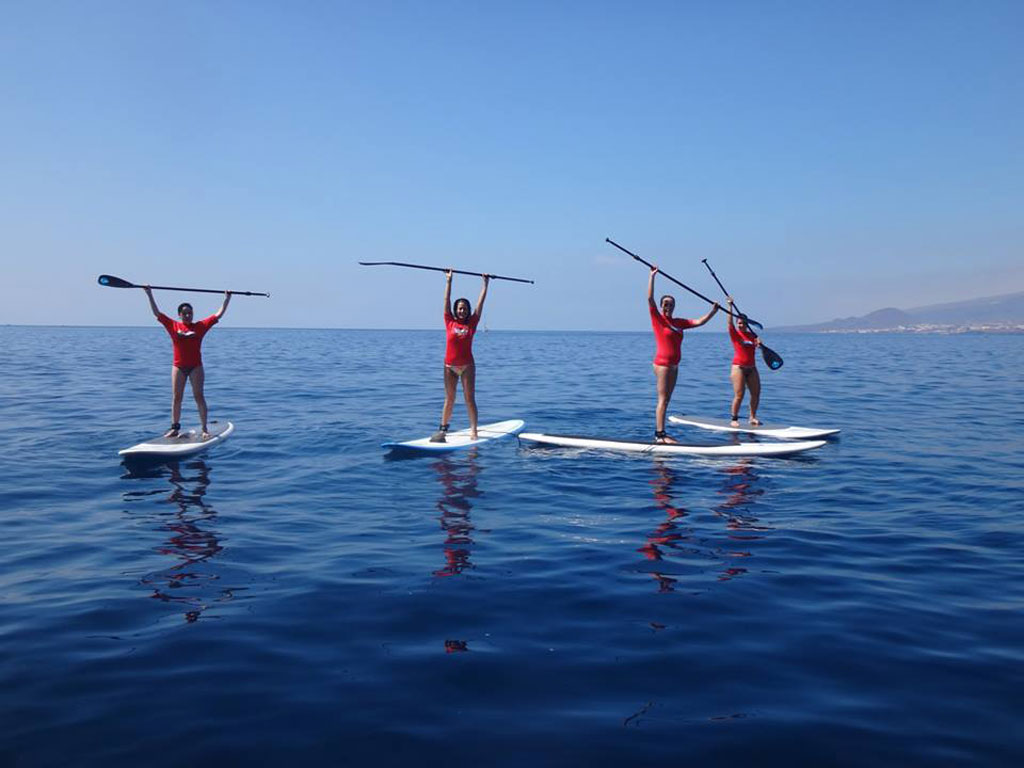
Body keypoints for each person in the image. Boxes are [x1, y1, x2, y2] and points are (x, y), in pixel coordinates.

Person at [144, 286, 231, 439]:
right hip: (178, 366)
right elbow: (157, 313)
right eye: (184, 313)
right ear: (179, 315)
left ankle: (204, 429)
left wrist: (227, 299)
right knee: (177, 397)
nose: (187, 315)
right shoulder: (173, 325)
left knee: (199, 396)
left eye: (190, 313)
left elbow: (218, 315)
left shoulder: (200, 326)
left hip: (196, 367)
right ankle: (175, 428)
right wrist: (149, 293)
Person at [648, 266, 719, 444]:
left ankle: (662, 433)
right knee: (662, 400)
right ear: (661, 306)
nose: (668, 306)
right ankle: (659, 435)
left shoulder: (680, 322)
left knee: (667, 400)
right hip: (662, 364)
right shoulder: (658, 319)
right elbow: (650, 299)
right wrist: (652, 276)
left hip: (674, 365)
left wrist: (713, 311)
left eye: (671, 304)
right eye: (665, 304)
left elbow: (700, 322)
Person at [431, 270, 489, 442]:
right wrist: (449, 281)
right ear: (455, 310)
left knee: (469, 399)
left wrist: (485, 285)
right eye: (459, 308)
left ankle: (474, 430)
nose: (462, 310)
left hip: (467, 366)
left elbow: (480, 305)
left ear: (468, 310)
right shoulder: (449, 321)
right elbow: (446, 301)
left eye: (464, 308)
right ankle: (443, 430)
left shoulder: (472, 323)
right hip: (449, 366)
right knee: (449, 399)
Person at [726, 296, 762, 427]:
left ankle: (752, 417)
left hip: (752, 368)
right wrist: (730, 306)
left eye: (743, 323)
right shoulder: (735, 334)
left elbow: (758, 346)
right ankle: (734, 419)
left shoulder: (753, 336)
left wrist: (759, 344)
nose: (741, 325)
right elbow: (729, 323)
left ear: (747, 324)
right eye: (739, 323)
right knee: (739, 395)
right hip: (738, 368)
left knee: (756, 394)